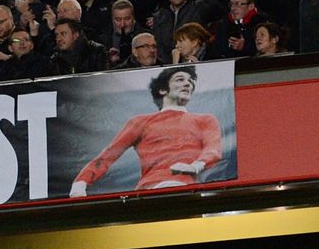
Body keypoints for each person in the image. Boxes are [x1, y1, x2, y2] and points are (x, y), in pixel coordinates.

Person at [69, 65, 223, 195]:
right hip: (148, 192)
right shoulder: (140, 122)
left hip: (187, 191)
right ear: (163, 89)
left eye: (190, 81)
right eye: (180, 79)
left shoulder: (206, 120)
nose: (188, 84)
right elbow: (109, 154)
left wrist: (195, 166)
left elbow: (213, 150)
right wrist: (81, 182)